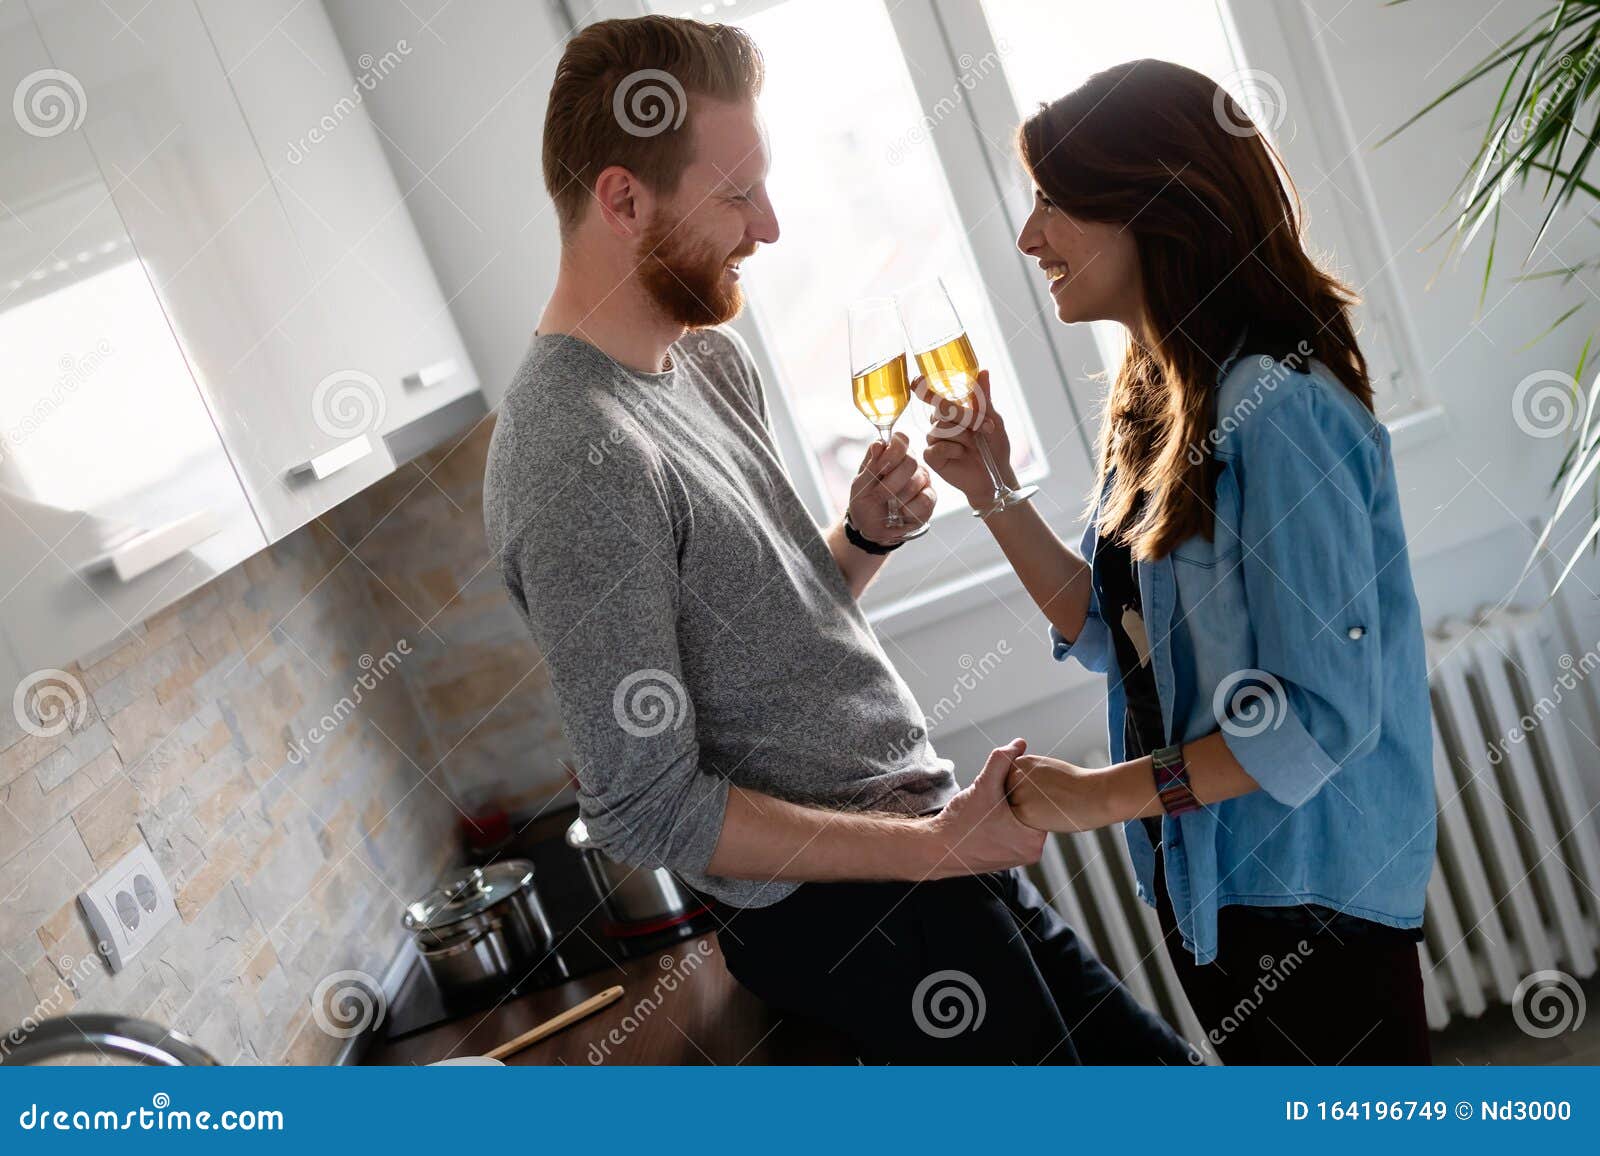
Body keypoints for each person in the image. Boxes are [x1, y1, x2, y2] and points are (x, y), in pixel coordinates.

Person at [483, 15, 1190, 1064]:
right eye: (736, 196)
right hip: (853, 914)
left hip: (924, 851)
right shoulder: (569, 456)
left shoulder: (705, 363)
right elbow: (644, 805)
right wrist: (927, 847)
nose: (767, 228)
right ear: (622, 201)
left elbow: (760, 643)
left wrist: (861, 540)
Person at [919, 59, 1435, 1065]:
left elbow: (1321, 714)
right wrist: (992, 489)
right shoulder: (1160, 402)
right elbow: (1115, 632)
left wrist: (1096, 795)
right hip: (1204, 881)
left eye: (1054, 203)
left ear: (1153, 207)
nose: (1029, 238)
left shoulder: (1279, 411)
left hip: (1309, 895)